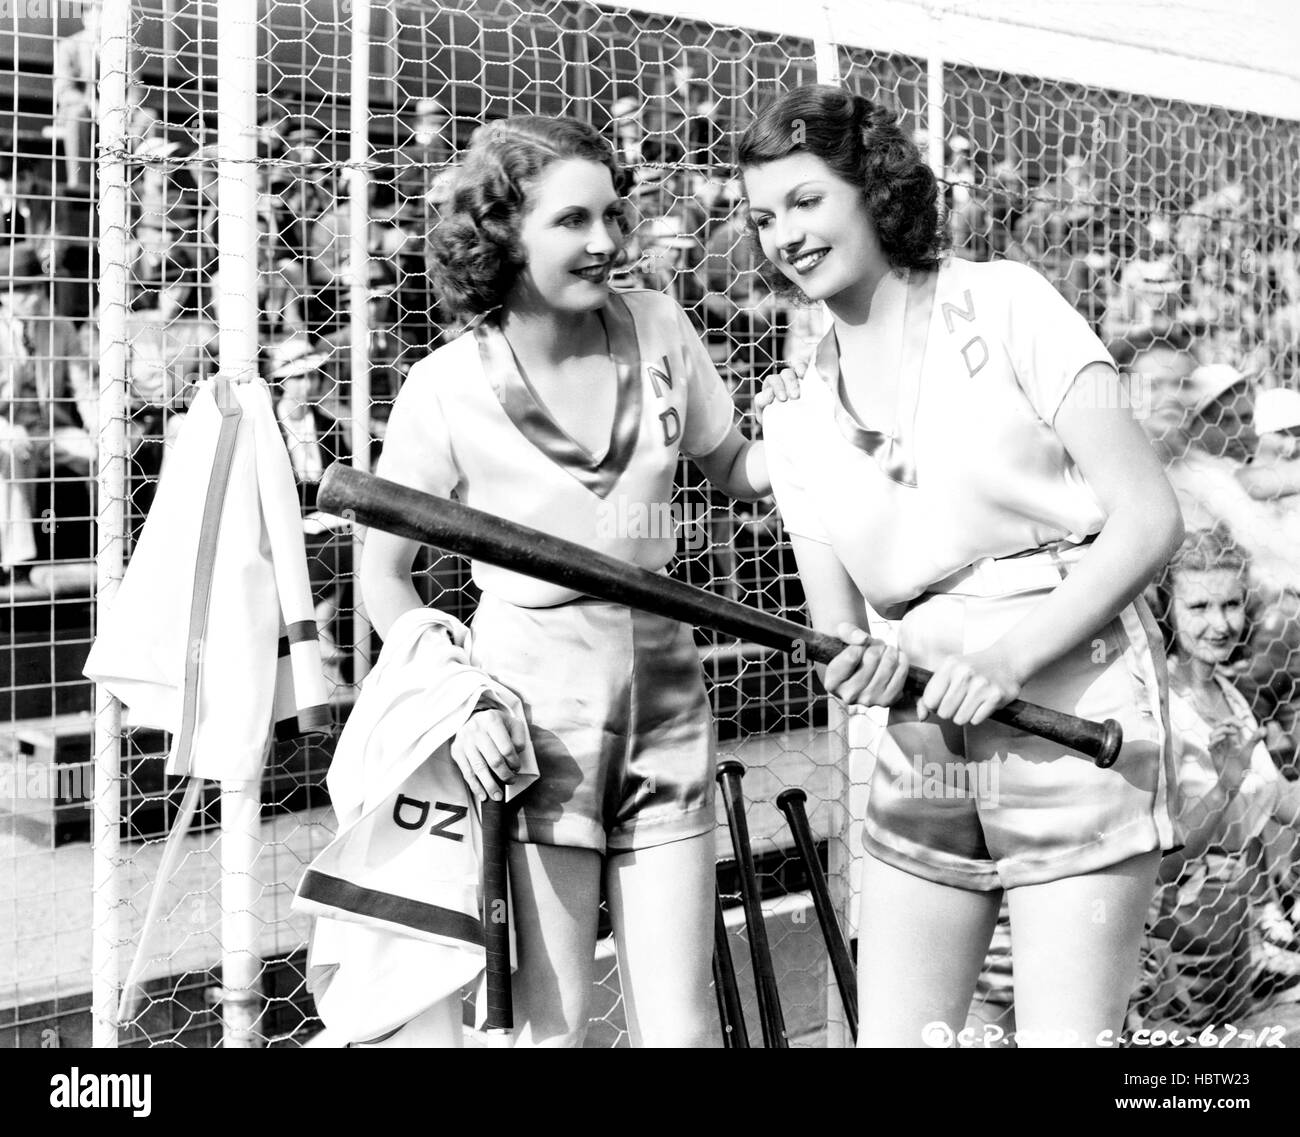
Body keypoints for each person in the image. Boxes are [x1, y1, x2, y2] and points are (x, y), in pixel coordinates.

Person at [744, 85, 1185, 1047]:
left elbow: (1149, 519)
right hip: (923, 750)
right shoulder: (793, 413)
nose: (785, 234)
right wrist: (854, 664)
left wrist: (1008, 661)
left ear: (874, 189)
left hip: (1075, 715)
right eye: (764, 216)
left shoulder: (1010, 301)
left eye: (808, 200)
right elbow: (844, 637)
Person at [361, 114, 772, 1047]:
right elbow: (382, 575)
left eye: (612, 216)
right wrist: (458, 699)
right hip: (533, 705)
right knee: (550, 1021)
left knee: (682, 1019)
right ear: (501, 232)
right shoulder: (444, 387)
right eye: (572, 221)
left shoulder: (660, 324)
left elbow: (736, 465)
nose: (603, 242)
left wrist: (807, 432)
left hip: (666, 679)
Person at [1134, 526, 1300, 1029]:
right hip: (1170, 946)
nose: (1220, 623)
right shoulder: (1154, 704)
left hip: (1232, 939)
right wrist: (1225, 786)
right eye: (1199, 607)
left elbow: (1282, 804)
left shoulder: (1233, 697)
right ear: (1167, 608)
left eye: (1230, 604)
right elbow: (1162, 860)